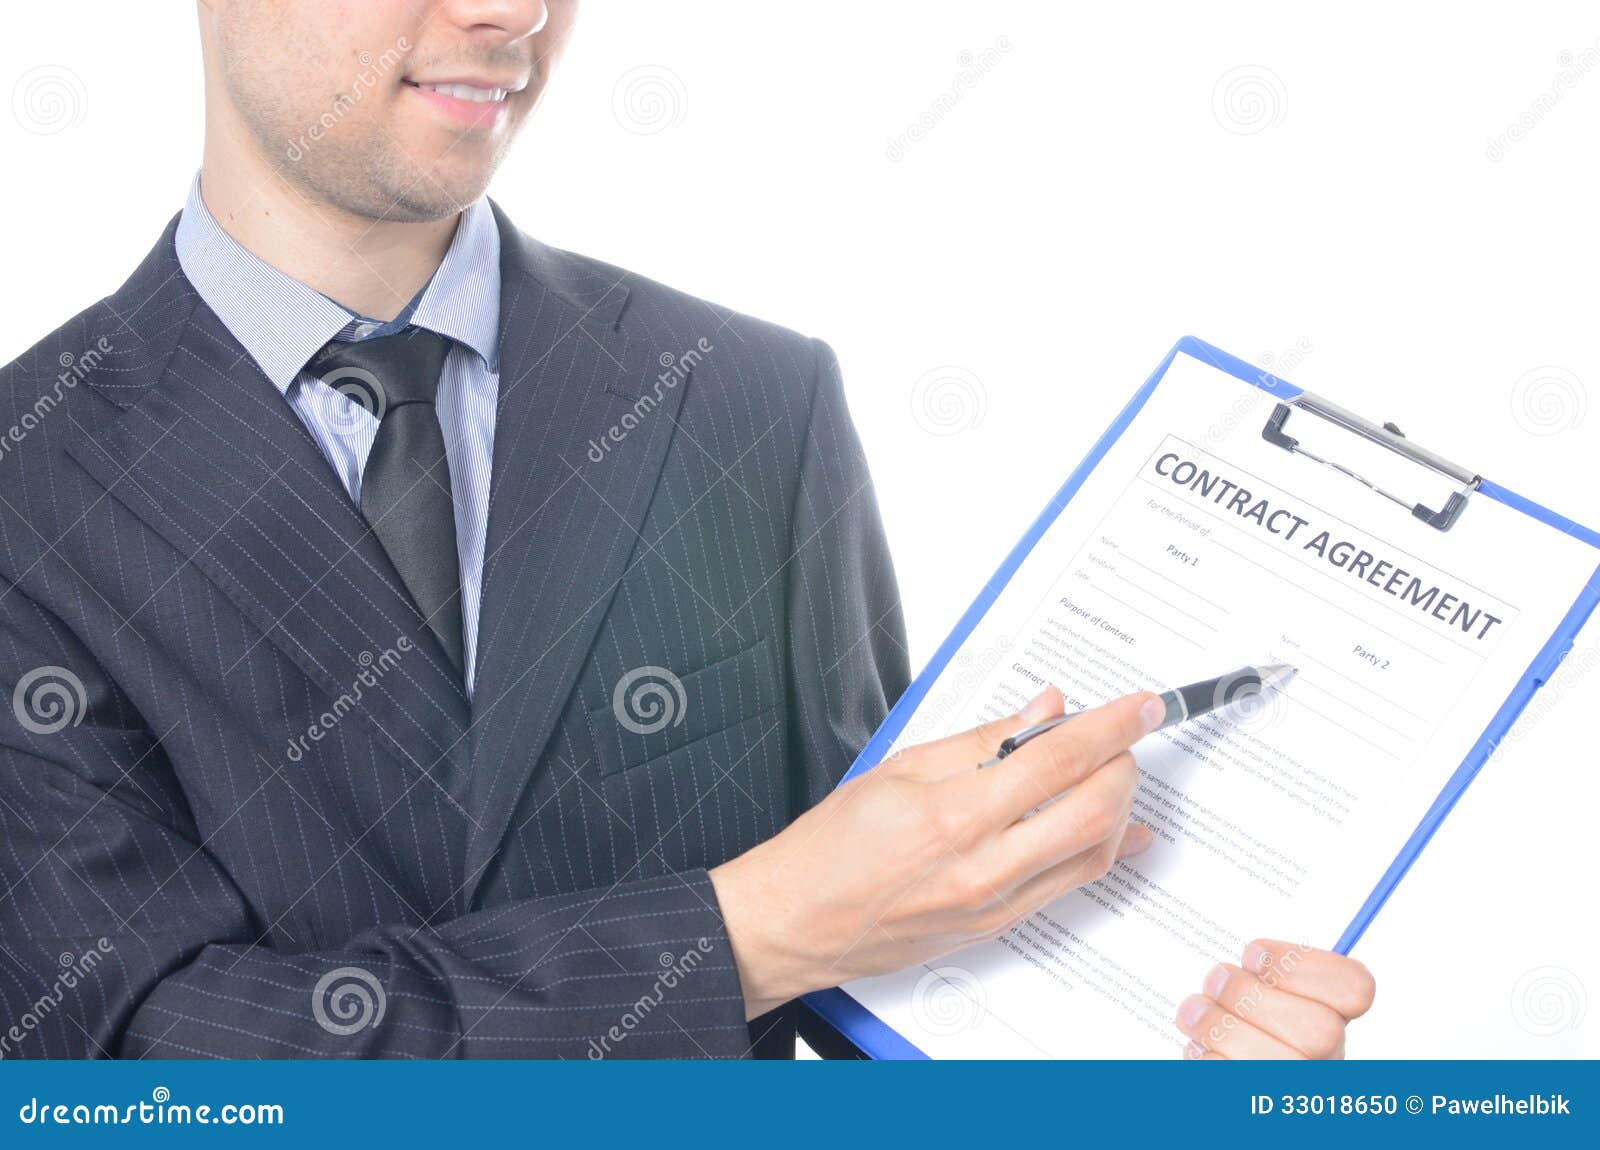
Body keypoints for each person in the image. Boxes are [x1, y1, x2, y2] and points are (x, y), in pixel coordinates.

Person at [0, 0, 1373, 1060]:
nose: (513, 12)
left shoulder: (750, 402)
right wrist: (742, 930)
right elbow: (135, 1058)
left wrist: (1163, 1046)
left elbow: (896, 966)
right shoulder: (27, 491)